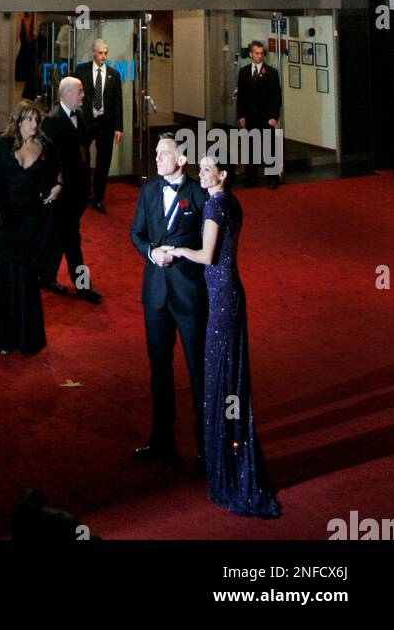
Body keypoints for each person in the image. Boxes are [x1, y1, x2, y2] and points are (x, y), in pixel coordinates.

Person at [165, 158, 281, 518]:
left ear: (223, 175)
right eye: (199, 169)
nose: (201, 174)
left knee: (221, 378)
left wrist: (177, 250)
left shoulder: (215, 204)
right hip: (228, 293)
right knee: (228, 376)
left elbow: (206, 254)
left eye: (207, 170)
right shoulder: (230, 201)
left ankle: (230, 472)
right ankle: (233, 459)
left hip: (222, 299)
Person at [129, 133, 209, 465]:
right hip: (156, 296)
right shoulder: (148, 190)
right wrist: (151, 253)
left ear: (182, 160)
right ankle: (161, 439)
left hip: (189, 295)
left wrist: (182, 254)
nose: (158, 158)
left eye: (165, 153)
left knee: (198, 371)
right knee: (159, 370)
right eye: (157, 153)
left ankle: (207, 445)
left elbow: (212, 241)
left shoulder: (199, 194)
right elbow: (136, 233)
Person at [0, 101, 61, 356]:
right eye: (30, 120)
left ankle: (25, 337)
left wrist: (57, 188)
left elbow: (58, 175)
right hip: (5, 220)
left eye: (37, 120)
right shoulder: (2, 144)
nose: (34, 125)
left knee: (25, 273)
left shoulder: (46, 147)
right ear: (19, 120)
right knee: (2, 272)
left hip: (31, 220)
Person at [39, 77, 102, 303]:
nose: (84, 95)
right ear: (66, 94)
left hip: (78, 192)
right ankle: (84, 286)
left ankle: (45, 276)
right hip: (62, 193)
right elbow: (48, 160)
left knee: (60, 237)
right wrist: (57, 185)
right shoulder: (52, 121)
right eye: (80, 91)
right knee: (72, 240)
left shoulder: (80, 115)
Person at [76, 38, 123, 214]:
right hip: (86, 122)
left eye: (106, 53)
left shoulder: (114, 75)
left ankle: (98, 198)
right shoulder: (81, 71)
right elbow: (74, 96)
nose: (104, 56)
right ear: (93, 52)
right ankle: (84, 191)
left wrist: (119, 127)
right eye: (101, 53)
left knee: (104, 161)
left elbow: (118, 102)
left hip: (106, 123)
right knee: (82, 158)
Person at [234, 40, 282, 188]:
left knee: (269, 148)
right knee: (250, 147)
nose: (259, 56)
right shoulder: (243, 72)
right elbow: (241, 97)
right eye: (256, 53)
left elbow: (276, 97)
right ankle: (250, 177)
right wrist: (241, 116)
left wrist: (274, 117)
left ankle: (272, 178)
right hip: (250, 116)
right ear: (250, 54)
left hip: (266, 117)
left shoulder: (271, 73)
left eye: (261, 53)